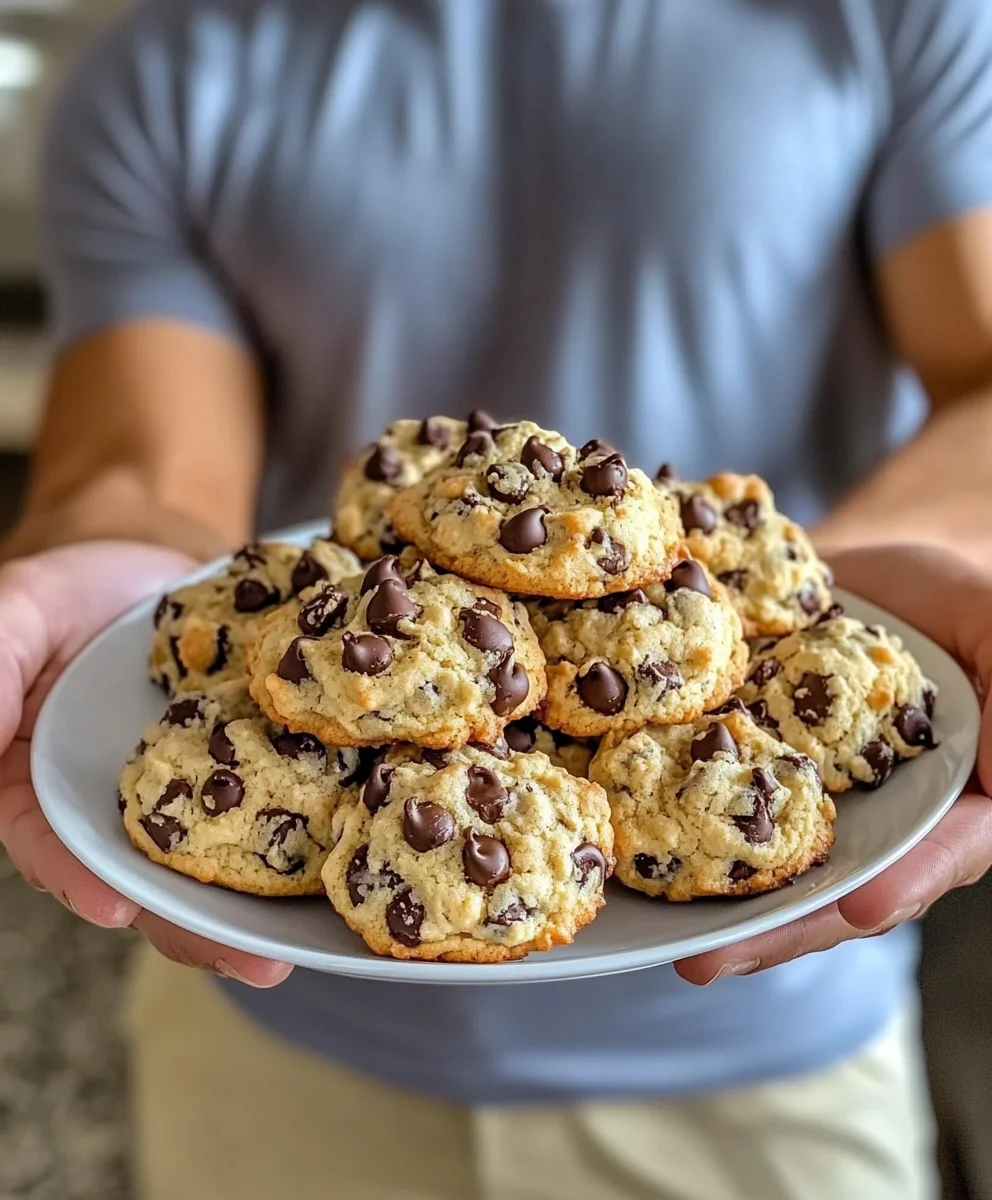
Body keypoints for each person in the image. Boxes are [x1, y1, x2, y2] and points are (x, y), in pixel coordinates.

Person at [2, 1, 992, 1196]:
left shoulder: (902, 16)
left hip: (765, 1043)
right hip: (274, 1020)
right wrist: (77, 571)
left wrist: (855, 577)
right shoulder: (159, 66)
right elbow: (149, 471)